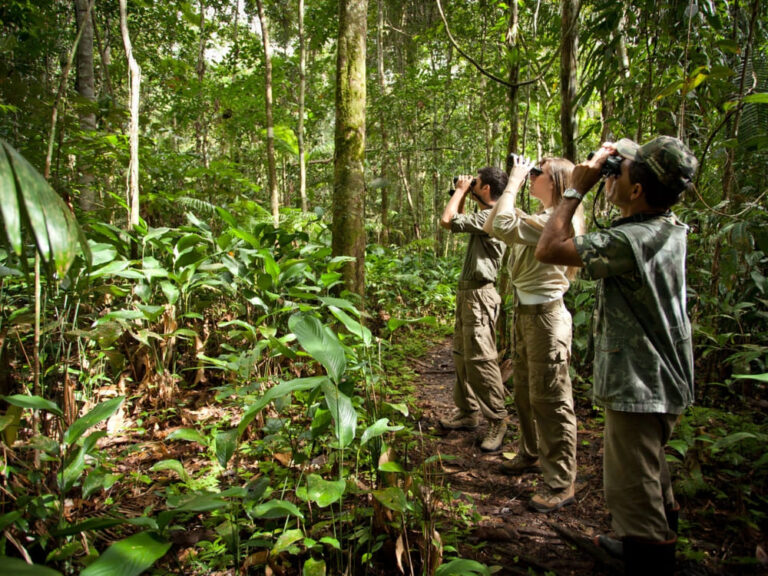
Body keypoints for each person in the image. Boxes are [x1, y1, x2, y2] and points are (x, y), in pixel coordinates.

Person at [535, 136, 697, 575]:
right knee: (651, 472)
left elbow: (548, 250)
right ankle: (648, 546)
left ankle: (647, 557)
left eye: (620, 174)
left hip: (642, 381)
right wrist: (617, 163)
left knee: (634, 488)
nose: (611, 176)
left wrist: (575, 188)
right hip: (662, 375)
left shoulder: (632, 240)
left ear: (639, 190)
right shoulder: (666, 226)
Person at [483, 154, 585, 513]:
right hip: (526, 313)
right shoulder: (542, 216)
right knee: (525, 391)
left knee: (552, 399)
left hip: (546, 318)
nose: (531, 174)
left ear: (555, 181)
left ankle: (560, 481)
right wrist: (514, 186)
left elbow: (503, 225)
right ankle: (529, 452)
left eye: (537, 171)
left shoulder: (552, 220)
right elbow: (493, 223)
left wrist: (512, 179)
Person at [438, 167, 509, 453]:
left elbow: (448, 220)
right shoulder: (484, 214)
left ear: (488, 189)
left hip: (480, 294)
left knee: (480, 358)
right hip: (469, 293)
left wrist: (459, 191)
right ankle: (467, 412)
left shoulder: (492, 216)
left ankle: (497, 418)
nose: (470, 184)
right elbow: (458, 220)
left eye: (476, 183)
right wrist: (466, 193)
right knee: (461, 355)